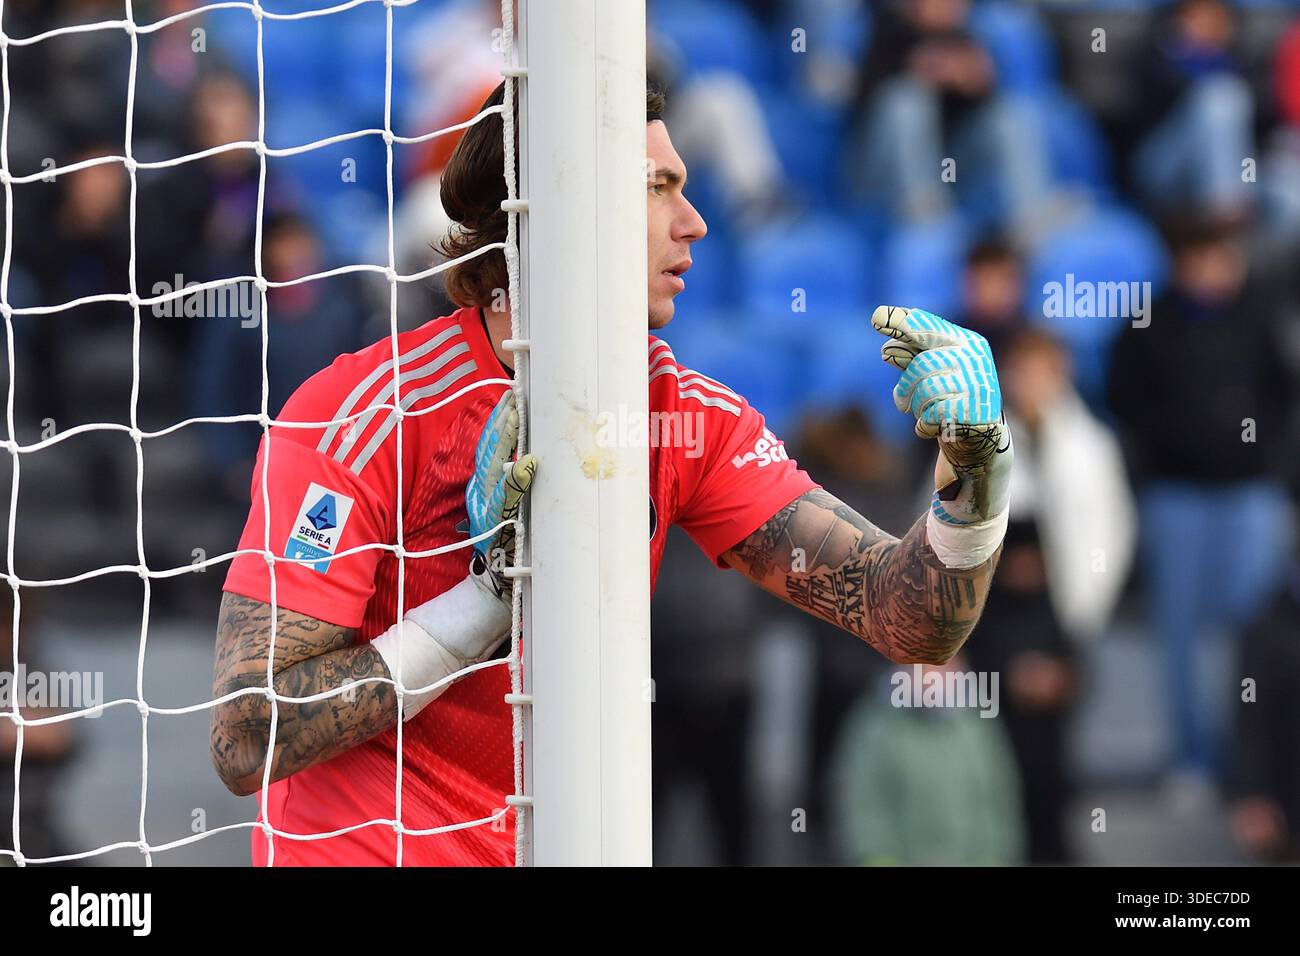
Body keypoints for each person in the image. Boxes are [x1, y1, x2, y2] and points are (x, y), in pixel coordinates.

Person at [210, 82, 1014, 866]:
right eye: (657, 188)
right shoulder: (364, 413)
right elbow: (247, 738)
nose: (695, 223)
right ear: (555, 203)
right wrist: (483, 606)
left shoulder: (685, 419)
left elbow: (909, 620)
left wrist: (975, 478)